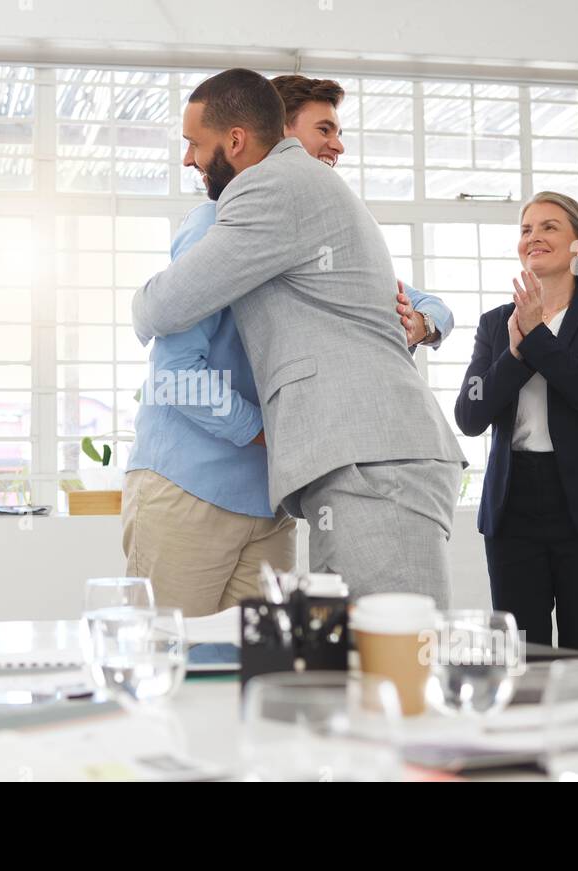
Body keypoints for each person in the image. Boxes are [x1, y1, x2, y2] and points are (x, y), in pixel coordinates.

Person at [132, 69, 465, 608]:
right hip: (303, 469)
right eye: (323, 129)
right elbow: (175, 367)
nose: (188, 160)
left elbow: (161, 305)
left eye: (195, 144)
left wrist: (138, 304)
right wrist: (266, 429)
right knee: (357, 643)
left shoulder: (273, 189)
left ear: (236, 140)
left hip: (365, 459)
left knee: (396, 642)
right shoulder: (258, 206)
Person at [454, 191, 578, 656]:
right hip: (513, 506)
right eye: (526, 229)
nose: (533, 237)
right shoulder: (495, 323)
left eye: (548, 227)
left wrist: (536, 338)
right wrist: (515, 352)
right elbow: (470, 415)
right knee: (522, 656)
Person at [268, 74, 454, 349]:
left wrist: (418, 324)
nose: (339, 146)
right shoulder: (238, 218)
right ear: (279, 132)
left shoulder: (330, 229)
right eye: (324, 130)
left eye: (338, 134)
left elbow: (438, 310)